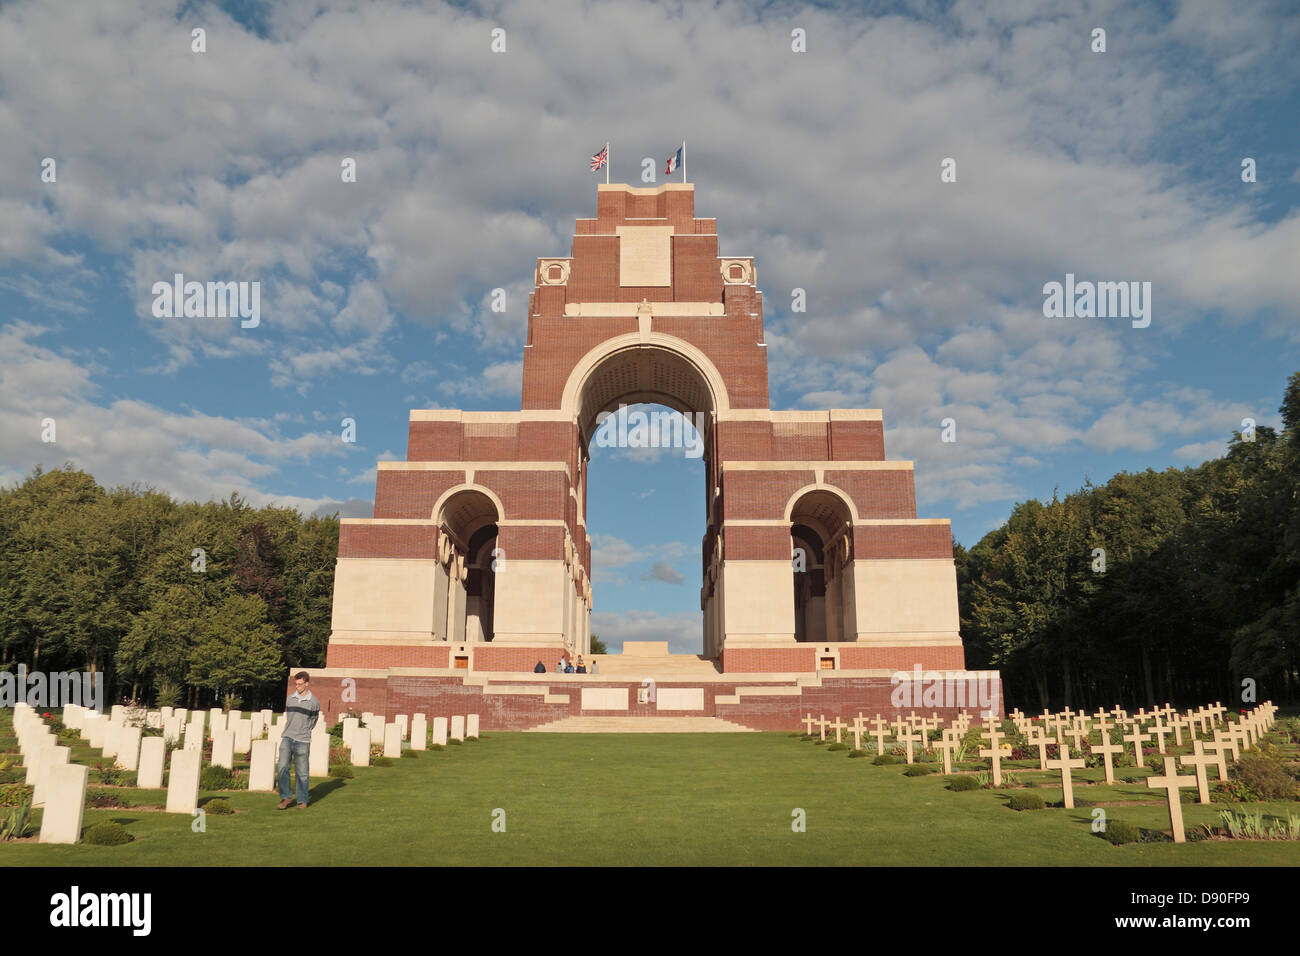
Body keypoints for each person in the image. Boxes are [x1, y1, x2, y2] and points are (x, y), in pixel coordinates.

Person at [277, 671, 319, 809]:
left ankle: (302, 800)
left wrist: (304, 730)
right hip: (287, 737)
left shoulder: (314, 702)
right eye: (296, 684)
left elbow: (313, 721)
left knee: (302, 772)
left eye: (300, 684)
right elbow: (289, 716)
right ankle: (285, 798)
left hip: (303, 740)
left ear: (307, 683)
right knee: (282, 767)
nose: (297, 687)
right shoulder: (290, 699)